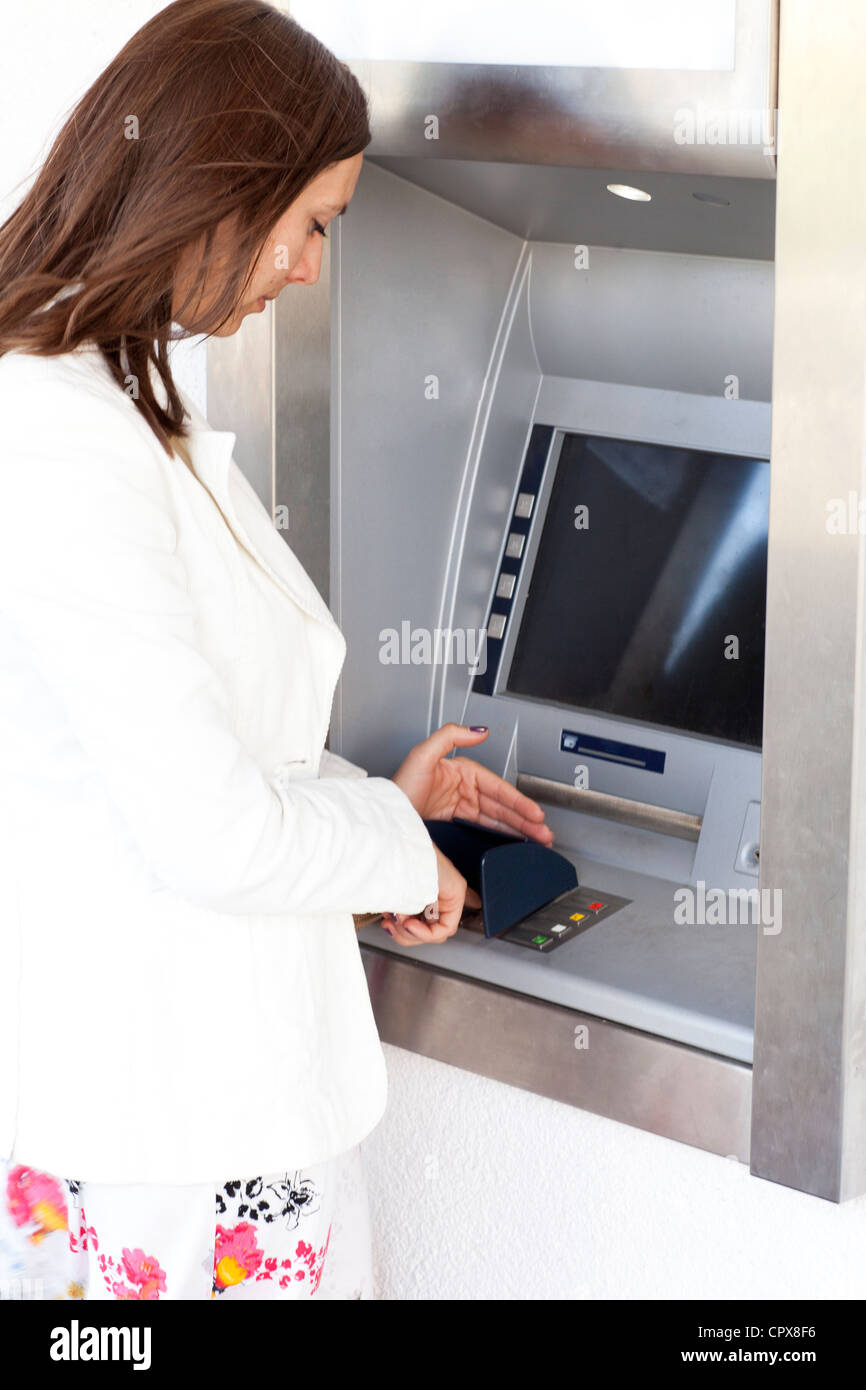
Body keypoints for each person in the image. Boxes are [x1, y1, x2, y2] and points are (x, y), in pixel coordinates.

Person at [0, 0, 552, 1301]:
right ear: (214, 186)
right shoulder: (60, 436)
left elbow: (174, 753)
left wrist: (380, 802)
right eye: (311, 224)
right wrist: (397, 848)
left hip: (176, 1132)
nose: (310, 270)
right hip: (167, 1151)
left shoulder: (111, 404)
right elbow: (212, 835)